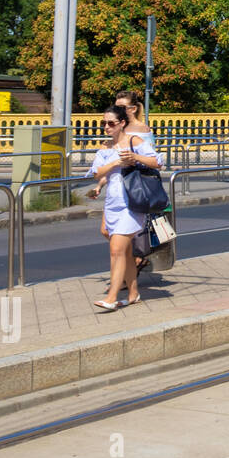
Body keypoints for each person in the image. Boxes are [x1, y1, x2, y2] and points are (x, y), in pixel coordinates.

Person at [87, 106, 158, 311]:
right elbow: (96, 172)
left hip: (132, 204)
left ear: (122, 123)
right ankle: (134, 293)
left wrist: (135, 158)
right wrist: (116, 162)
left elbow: (157, 161)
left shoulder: (134, 142)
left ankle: (112, 297)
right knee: (125, 253)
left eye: (111, 123)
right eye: (104, 123)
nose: (106, 127)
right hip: (112, 204)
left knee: (117, 250)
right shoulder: (106, 147)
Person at [108, 90, 165, 274]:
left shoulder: (141, 129)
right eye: (116, 107)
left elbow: (152, 159)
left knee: (129, 233)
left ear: (132, 109)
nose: (118, 110)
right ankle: (132, 265)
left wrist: (134, 157)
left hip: (135, 183)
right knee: (108, 230)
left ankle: (130, 270)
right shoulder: (118, 127)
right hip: (118, 183)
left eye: (122, 107)